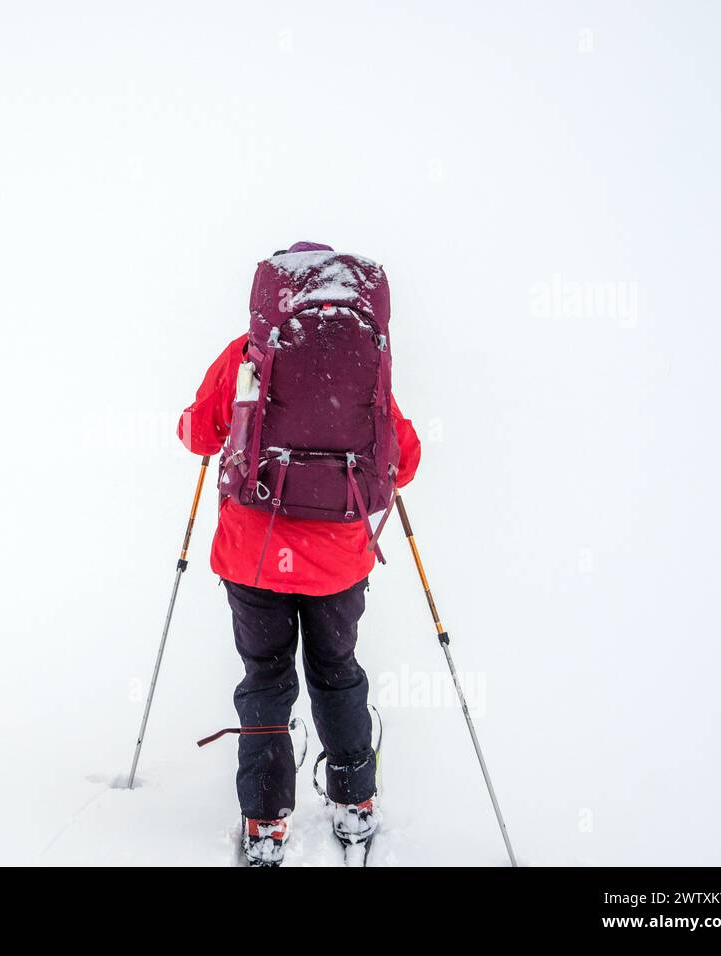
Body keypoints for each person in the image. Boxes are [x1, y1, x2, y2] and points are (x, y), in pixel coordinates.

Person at [177, 241, 420, 866]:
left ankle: (264, 820)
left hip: (254, 555)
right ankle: (354, 801)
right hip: (338, 559)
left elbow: (199, 433)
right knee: (337, 671)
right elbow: (405, 457)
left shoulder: (248, 356)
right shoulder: (364, 363)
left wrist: (193, 423)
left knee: (266, 678)